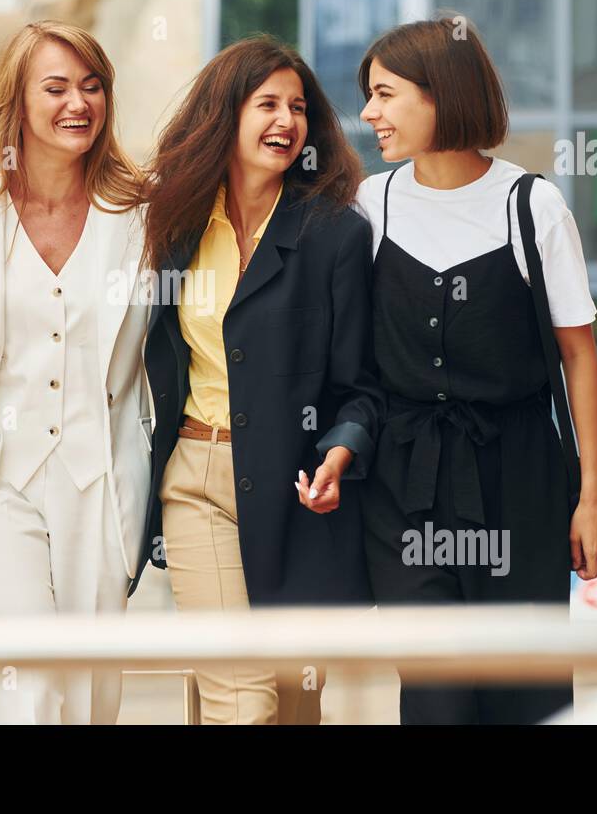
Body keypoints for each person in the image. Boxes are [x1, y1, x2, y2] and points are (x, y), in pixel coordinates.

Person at [353, 16, 597, 724]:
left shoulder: (533, 206)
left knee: (524, 695)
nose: (369, 113)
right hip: (405, 490)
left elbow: (579, 356)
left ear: (441, 92)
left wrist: (593, 496)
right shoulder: (368, 205)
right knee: (436, 699)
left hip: (521, 482)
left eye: (384, 93)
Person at [134, 35, 381, 724]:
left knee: (297, 703)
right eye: (266, 103)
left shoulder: (336, 234)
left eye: (298, 107)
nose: (286, 121)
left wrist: (340, 450)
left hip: (300, 493)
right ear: (225, 114)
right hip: (197, 482)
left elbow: (360, 385)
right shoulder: (173, 224)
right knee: (240, 699)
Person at [0, 21, 151, 724]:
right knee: (22, 681)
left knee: (91, 694)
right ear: (17, 99)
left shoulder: (141, 213)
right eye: (57, 87)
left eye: (93, 86)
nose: (79, 103)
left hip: (99, 480)